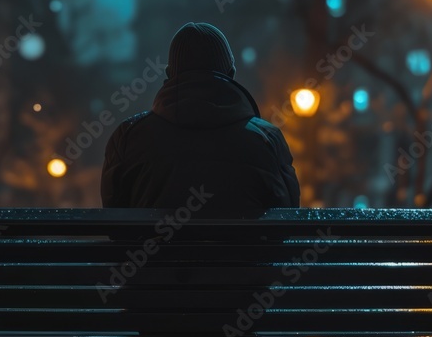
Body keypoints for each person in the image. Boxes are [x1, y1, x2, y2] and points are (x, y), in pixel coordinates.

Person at [101, 22, 300, 210]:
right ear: (230, 73)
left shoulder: (128, 138)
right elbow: (287, 216)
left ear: (170, 75)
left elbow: (115, 220)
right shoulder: (267, 140)